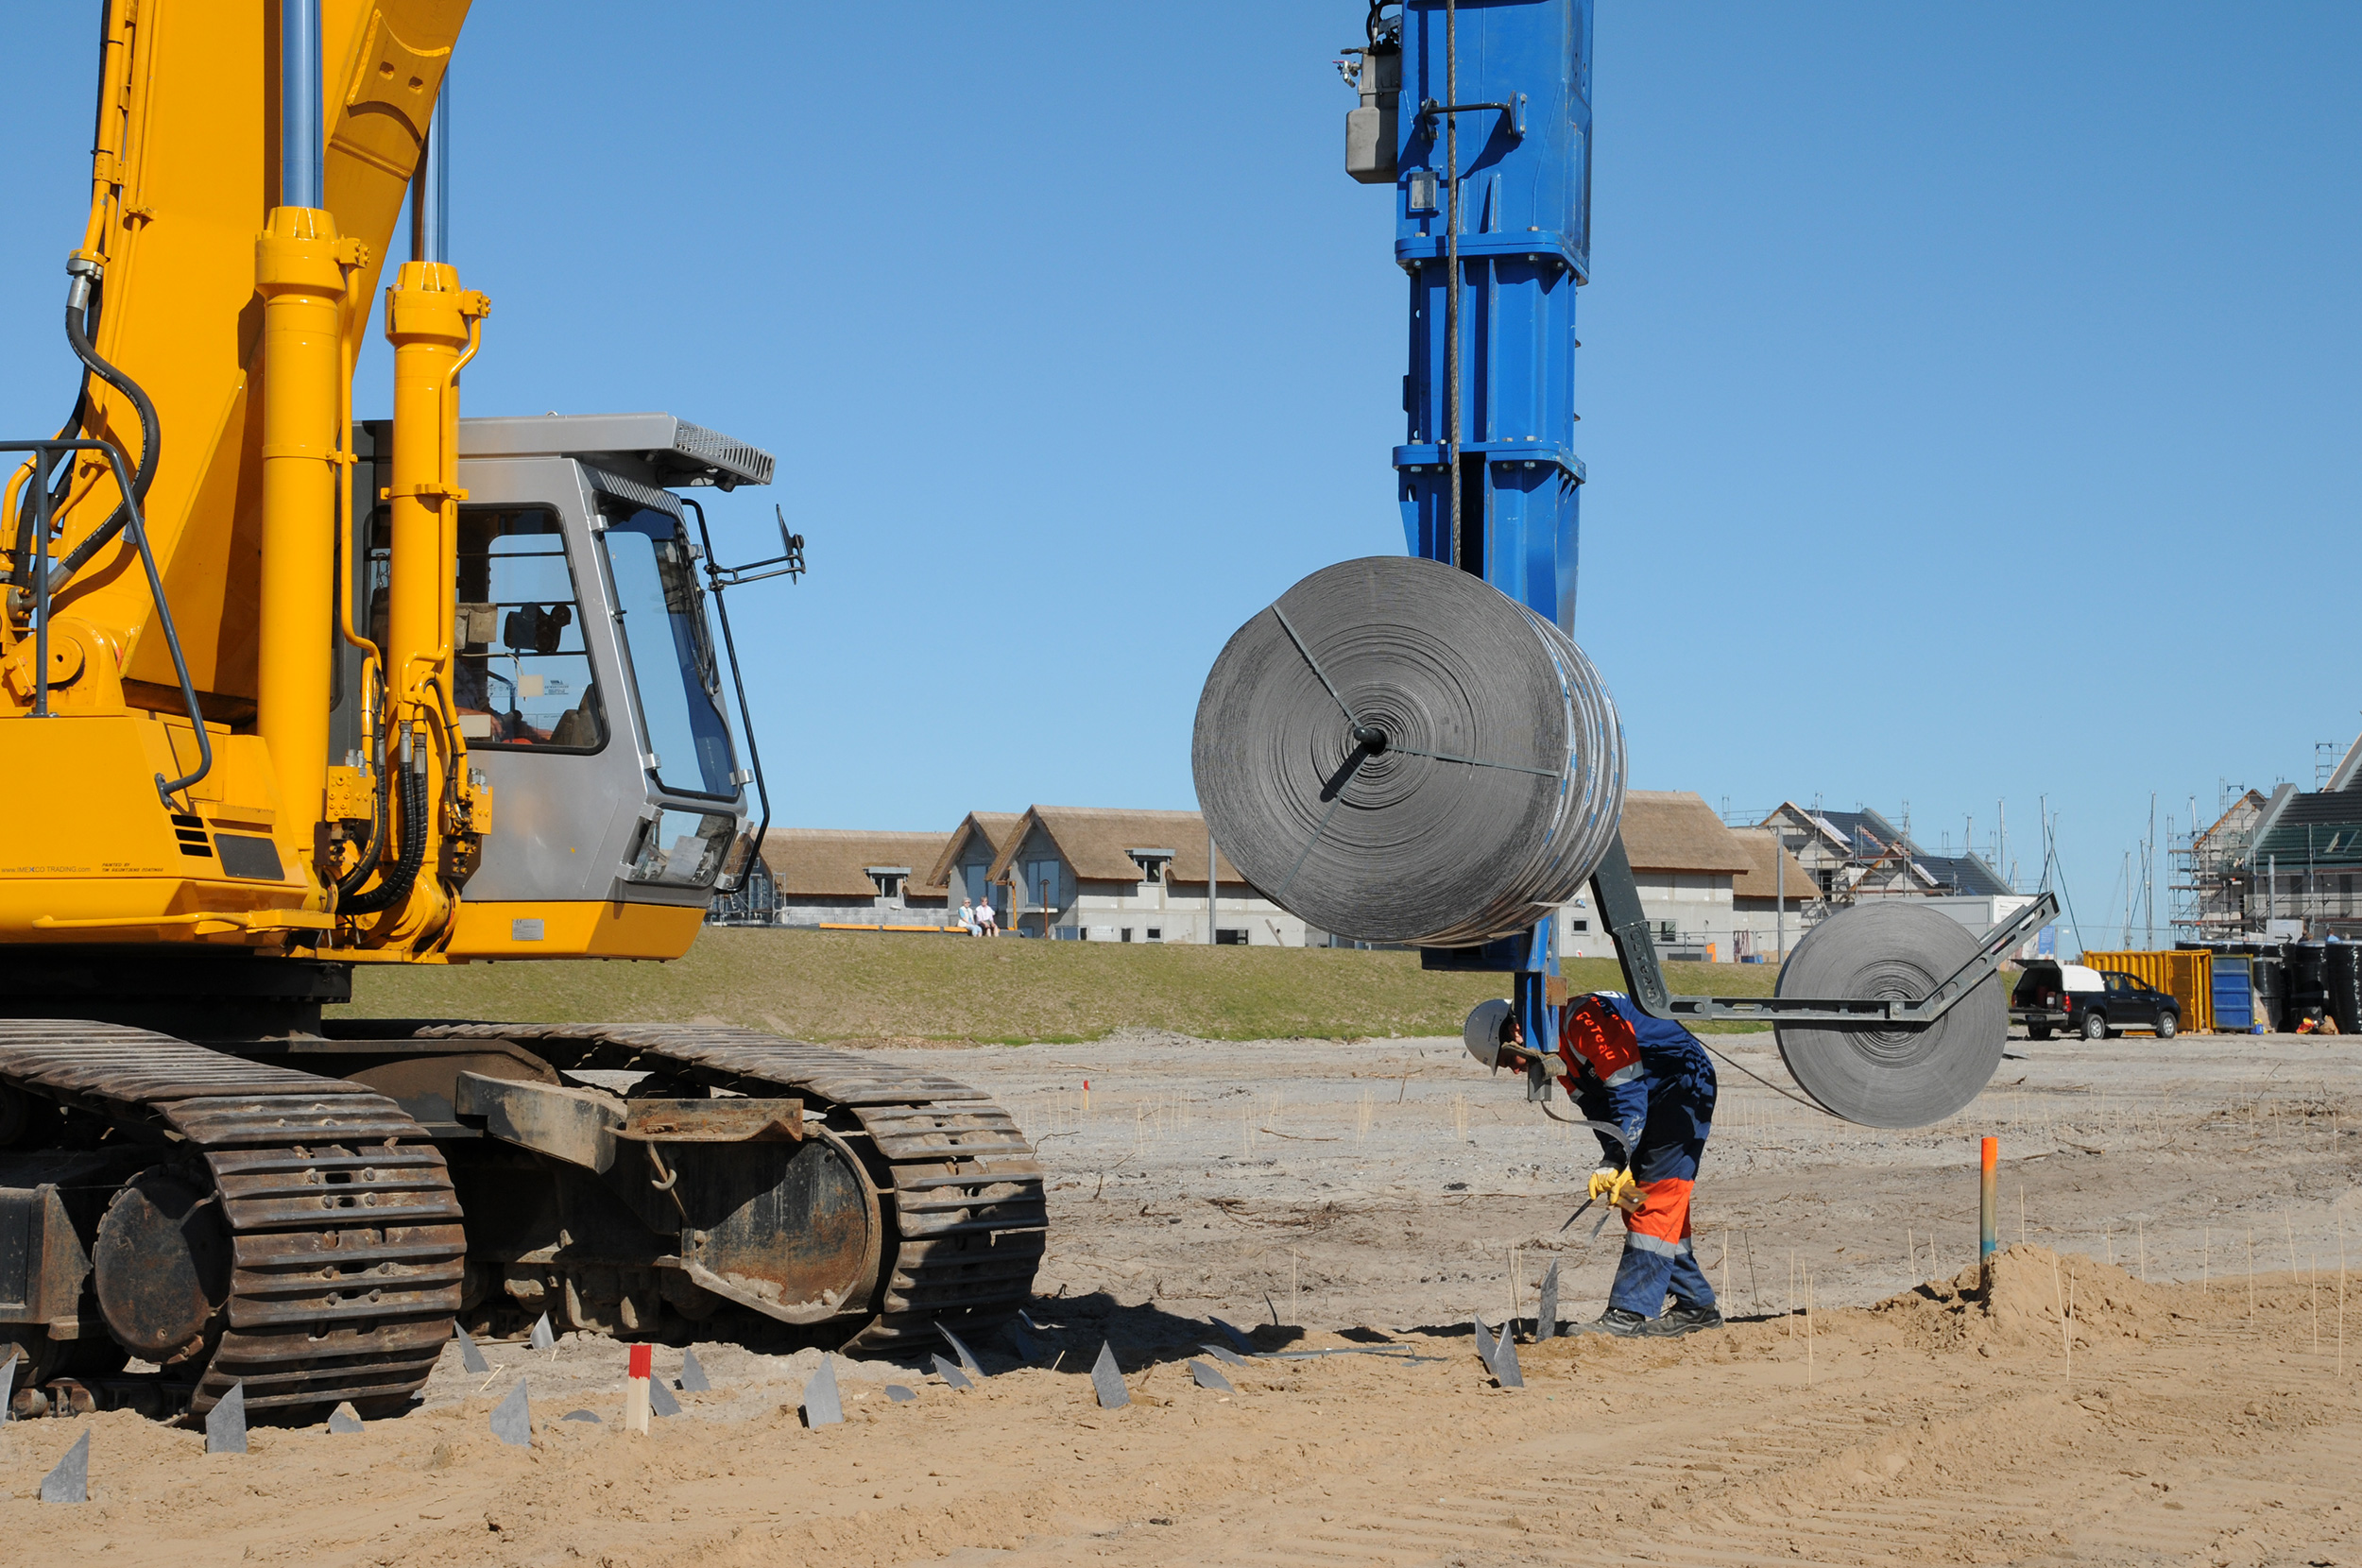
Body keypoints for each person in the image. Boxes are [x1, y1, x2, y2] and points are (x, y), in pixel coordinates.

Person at [1506, 990, 1720, 1337]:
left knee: (1659, 1199)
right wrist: (1615, 1164)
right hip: (1651, 1098)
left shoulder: (1583, 1021)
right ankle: (1696, 1303)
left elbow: (1629, 1092)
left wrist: (1615, 1159)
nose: (1515, 1071)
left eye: (1508, 1061)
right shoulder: (1559, 1054)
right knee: (1632, 1201)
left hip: (1680, 1090)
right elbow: (1598, 1111)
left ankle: (1628, 1312)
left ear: (1516, 1033)